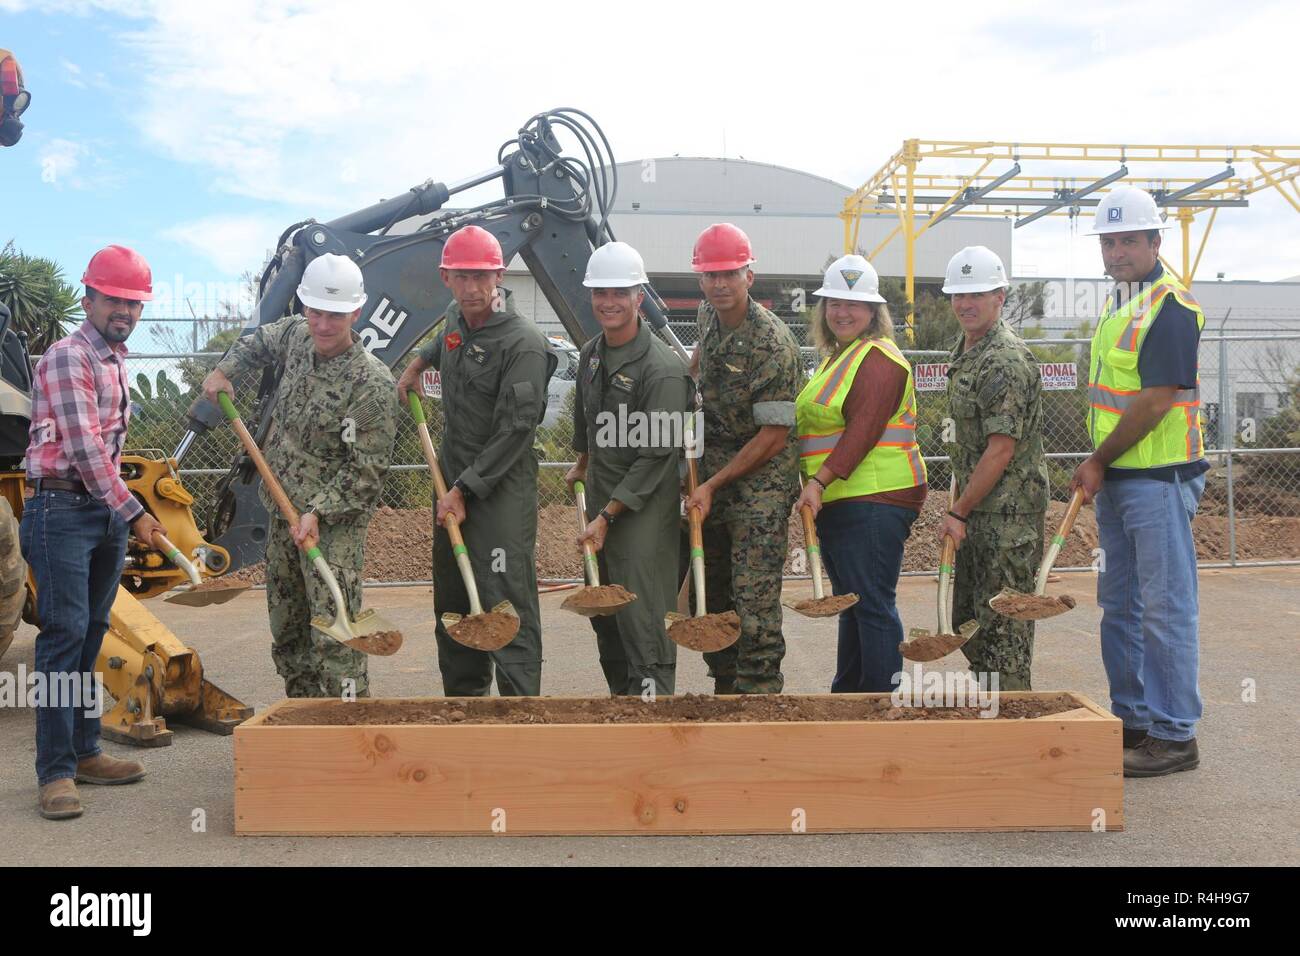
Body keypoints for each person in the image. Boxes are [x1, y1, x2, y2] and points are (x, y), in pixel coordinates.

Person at [203, 253, 397, 699]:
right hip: (281, 509)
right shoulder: (295, 337)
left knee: (335, 631)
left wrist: (318, 512)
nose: (323, 325)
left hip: (332, 525)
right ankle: (303, 717)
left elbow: (366, 472)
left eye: (335, 315)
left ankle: (350, 725)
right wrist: (224, 370)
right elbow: (256, 342)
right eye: (315, 312)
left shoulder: (371, 382)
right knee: (288, 626)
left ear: (355, 312)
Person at [22, 245, 164, 819]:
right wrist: (136, 512)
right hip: (60, 512)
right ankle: (55, 772)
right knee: (62, 638)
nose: (124, 310)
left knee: (90, 635)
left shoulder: (113, 360)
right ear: (89, 298)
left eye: (133, 302)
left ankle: (84, 752)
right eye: (113, 299)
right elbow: (81, 449)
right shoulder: (68, 357)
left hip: (101, 514)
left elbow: (108, 447)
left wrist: (119, 512)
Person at [1071, 186, 1209, 777]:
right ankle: (1133, 721)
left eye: (1129, 240)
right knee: (1119, 604)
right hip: (1122, 478)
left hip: (1156, 480)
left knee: (1164, 608)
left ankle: (1175, 734)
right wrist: (1105, 463)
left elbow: (1156, 400)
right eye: (1109, 241)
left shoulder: (1169, 308)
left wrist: (1097, 459)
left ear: (1156, 241)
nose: (1117, 251)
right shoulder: (1120, 303)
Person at [395, 225, 555, 696]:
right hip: (450, 479)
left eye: (480, 277)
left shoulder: (522, 343)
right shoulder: (455, 317)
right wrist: (416, 364)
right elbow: (443, 339)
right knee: (455, 596)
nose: (471, 289)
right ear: (446, 278)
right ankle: (463, 704)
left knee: (503, 597)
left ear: (499, 276)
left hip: (498, 488)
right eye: (460, 277)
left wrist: (465, 490)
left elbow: (515, 431)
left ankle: (519, 713)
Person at [794, 255, 927, 692]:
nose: (842, 312)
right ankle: (848, 696)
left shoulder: (879, 359)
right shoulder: (839, 358)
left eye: (854, 304)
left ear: (874, 312)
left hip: (874, 498)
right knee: (854, 604)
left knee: (871, 604)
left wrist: (817, 482)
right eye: (834, 303)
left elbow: (864, 430)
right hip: (845, 498)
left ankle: (880, 703)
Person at [565, 242, 692, 697]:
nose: (608, 302)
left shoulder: (662, 370)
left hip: (640, 512)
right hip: (602, 501)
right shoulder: (592, 353)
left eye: (620, 292)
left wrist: (607, 515)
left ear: (640, 297)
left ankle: (653, 714)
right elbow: (588, 417)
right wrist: (582, 462)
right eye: (600, 292)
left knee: (641, 615)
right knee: (606, 611)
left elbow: (655, 458)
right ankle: (621, 708)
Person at [682, 224, 803, 694]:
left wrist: (712, 485)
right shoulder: (707, 317)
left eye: (729, 273)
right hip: (712, 475)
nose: (719, 284)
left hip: (759, 485)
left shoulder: (771, 342)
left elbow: (774, 435)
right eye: (710, 275)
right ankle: (725, 683)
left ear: (749, 275)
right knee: (713, 589)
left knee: (753, 596)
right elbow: (699, 364)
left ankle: (759, 692)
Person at [938, 246, 1048, 690]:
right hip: (978, 512)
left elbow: (1000, 450)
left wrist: (959, 510)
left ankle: (1013, 727)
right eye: (958, 295)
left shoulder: (1004, 358)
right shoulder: (966, 351)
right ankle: (991, 716)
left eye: (977, 294)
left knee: (1005, 629)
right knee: (975, 625)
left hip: (1007, 519)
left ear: (1000, 296)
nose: (965, 304)